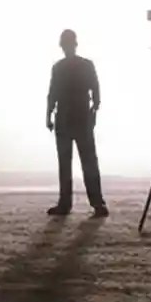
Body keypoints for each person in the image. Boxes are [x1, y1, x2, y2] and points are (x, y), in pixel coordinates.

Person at [45, 29, 108, 217]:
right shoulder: (85, 65)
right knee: (87, 162)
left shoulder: (59, 67)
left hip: (67, 117)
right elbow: (95, 90)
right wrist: (94, 110)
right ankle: (96, 204)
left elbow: (53, 94)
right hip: (78, 117)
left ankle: (68, 204)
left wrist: (48, 116)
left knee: (68, 163)